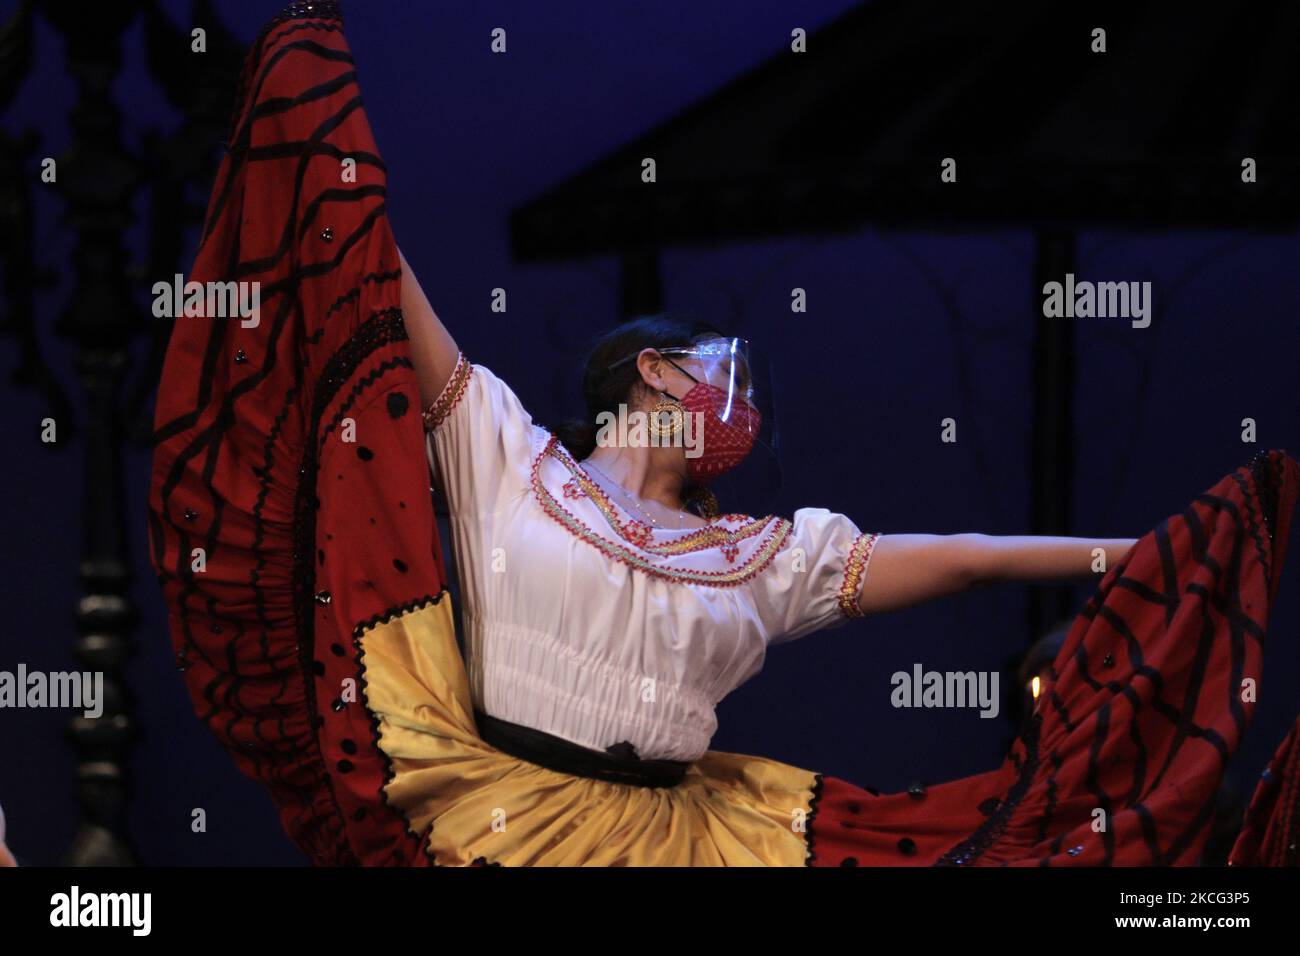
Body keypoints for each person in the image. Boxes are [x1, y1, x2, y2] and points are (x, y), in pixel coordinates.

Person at [148, 1, 1300, 865]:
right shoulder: (500, 449)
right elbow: (367, 274)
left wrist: (1131, 553)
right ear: (652, 369)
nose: (748, 401)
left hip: (679, 840)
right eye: (727, 370)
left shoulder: (764, 555)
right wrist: (313, 129)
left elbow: (961, 551)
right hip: (491, 815)